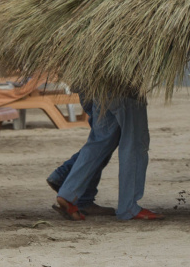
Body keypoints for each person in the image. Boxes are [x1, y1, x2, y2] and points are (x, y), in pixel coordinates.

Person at [52, 89, 162, 221]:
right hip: (123, 89)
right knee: (134, 144)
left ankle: (68, 193)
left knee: (99, 142)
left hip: (98, 89)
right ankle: (129, 207)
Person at [46, 94, 116, 217]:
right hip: (101, 90)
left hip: (87, 88)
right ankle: (70, 188)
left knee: (103, 138)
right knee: (104, 139)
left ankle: (78, 192)